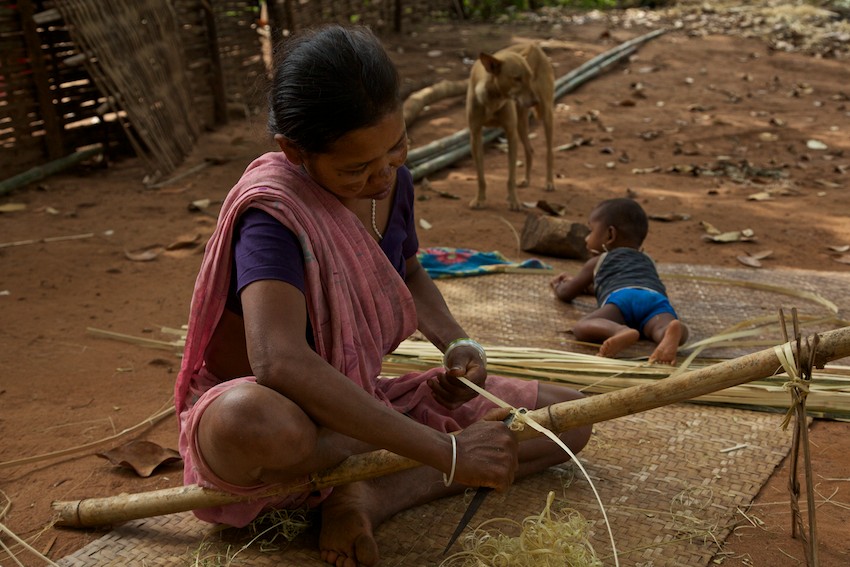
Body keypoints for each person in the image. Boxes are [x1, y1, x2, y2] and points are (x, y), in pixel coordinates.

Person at [175, 24, 591, 567]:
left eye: (396, 148)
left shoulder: (393, 180)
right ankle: (382, 452)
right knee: (253, 421)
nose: (381, 176)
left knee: (570, 421)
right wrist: (445, 451)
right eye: (356, 168)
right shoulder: (273, 216)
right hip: (284, 434)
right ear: (294, 151)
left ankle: (370, 493)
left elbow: (409, 270)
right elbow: (277, 361)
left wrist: (456, 341)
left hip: (357, 406)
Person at [550, 197, 688, 364]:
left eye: (591, 231)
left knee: (583, 326)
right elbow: (621, 281)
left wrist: (559, 285)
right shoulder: (647, 259)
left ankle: (619, 331)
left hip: (621, 300)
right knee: (659, 328)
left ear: (610, 235)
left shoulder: (599, 261)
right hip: (655, 299)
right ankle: (672, 331)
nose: (587, 238)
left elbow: (567, 293)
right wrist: (591, 289)